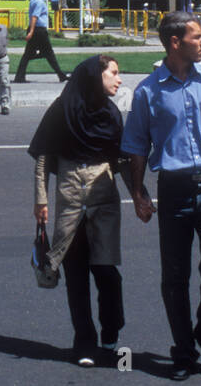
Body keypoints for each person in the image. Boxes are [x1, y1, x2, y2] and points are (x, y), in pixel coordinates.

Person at [121, 13, 201, 380]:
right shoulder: (147, 92)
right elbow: (136, 148)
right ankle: (184, 351)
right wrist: (139, 192)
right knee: (174, 278)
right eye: (197, 36)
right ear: (175, 43)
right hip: (174, 193)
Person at [29, 55, 127, 367]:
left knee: (106, 271)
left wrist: (140, 195)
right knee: (75, 273)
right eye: (113, 73)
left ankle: (110, 335)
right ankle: (84, 342)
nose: (119, 79)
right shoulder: (62, 109)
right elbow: (44, 155)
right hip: (69, 196)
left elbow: (122, 161)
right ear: (95, 75)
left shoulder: (111, 114)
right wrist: (41, 200)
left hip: (103, 196)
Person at [14, 0, 68, 83]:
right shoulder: (39, 2)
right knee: (49, 53)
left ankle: (19, 77)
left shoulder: (33, 0)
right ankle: (61, 75)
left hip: (35, 29)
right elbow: (35, 16)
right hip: (39, 31)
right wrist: (31, 31)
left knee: (28, 55)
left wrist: (31, 30)